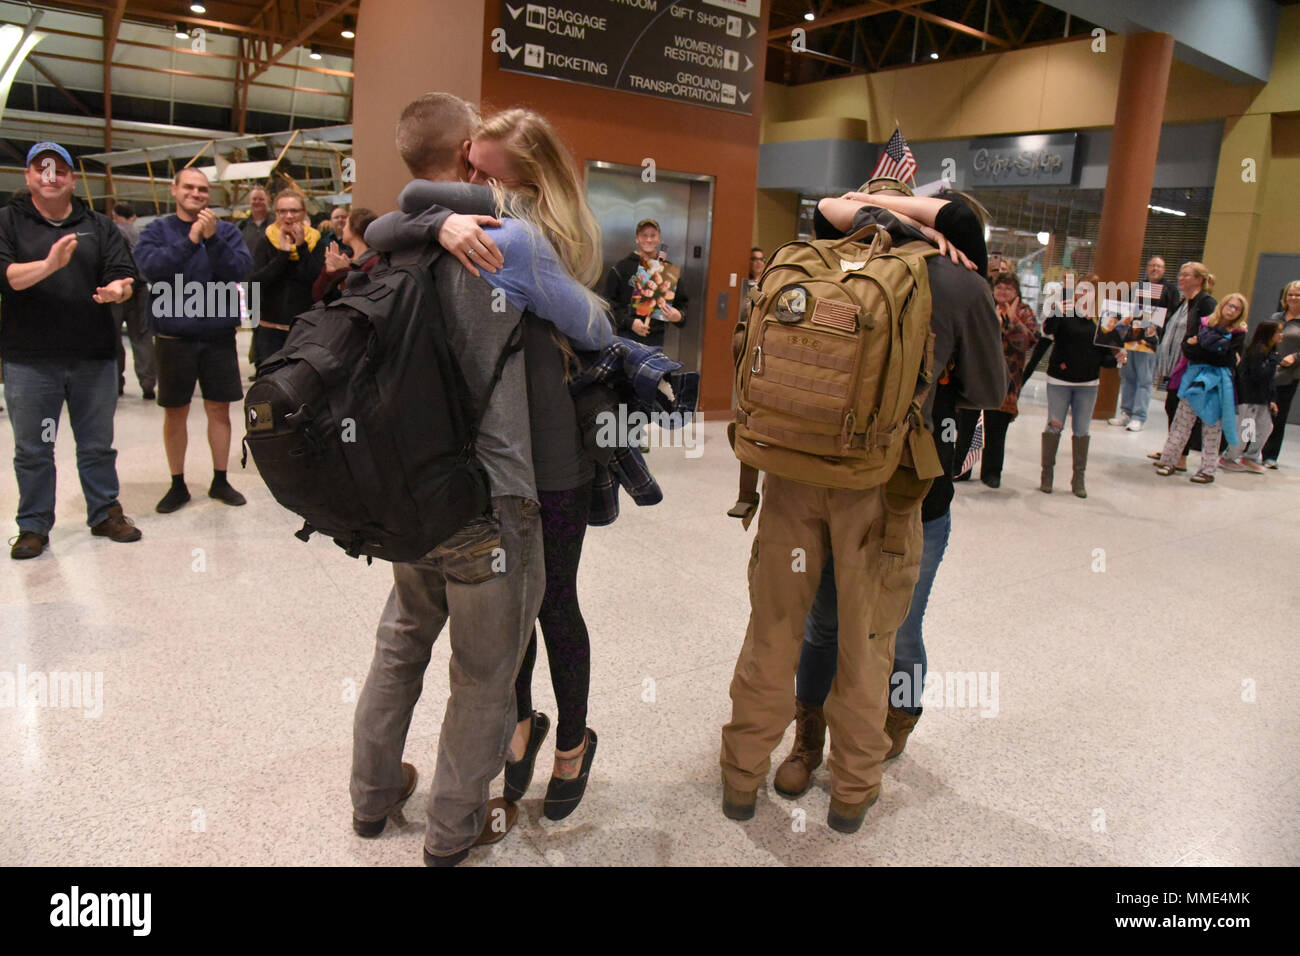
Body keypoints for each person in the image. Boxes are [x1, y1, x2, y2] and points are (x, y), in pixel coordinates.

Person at [351, 92, 613, 868]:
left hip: (409, 489)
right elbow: (595, 328)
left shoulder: (396, 239)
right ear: (471, 148)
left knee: (400, 645)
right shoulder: (513, 239)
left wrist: (428, 217)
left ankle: (372, 797)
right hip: (491, 496)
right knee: (483, 673)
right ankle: (451, 829)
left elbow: (380, 219)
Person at [719, 178, 1006, 833]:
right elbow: (988, 388)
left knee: (775, 633)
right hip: (889, 490)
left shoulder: (823, 255)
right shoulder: (959, 283)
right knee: (873, 641)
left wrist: (887, 207)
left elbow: (828, 205)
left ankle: (742, 776)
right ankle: (852, 790)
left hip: (790, 479)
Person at [0, 141, 143, 559]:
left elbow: (124, 276)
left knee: (97, 444)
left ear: (72, 178)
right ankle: (33, 525)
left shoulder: (98, 225)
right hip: (29, 361)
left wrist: (119, 289)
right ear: (27, 176)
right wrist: (49, 265)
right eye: (41, 168)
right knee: (33, 448)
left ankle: (104, 512)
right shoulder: (8, 221)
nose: (51, 176)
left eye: (59, 169)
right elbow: (7, 277)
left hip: (93, 358)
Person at [133, 167, 253, 514]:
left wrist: (212, 238)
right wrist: (192, 240)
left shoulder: (226, 232)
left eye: (202, 189)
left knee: (219, 408)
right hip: (174, 337)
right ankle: (177, 483)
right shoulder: (157, 230)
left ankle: (220, 479)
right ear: (174, 190)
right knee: (176, 412)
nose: (196, 193)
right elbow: (152, 268)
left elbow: (240, 270)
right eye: (189, 187)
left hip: (217, 336)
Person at [1037, 273, 1122, 496]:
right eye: (1081, 289)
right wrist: (1057, 311)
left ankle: (1078, 479)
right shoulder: (1063, 311)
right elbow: (1047, 331)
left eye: (1090, 290)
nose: (1084, 294)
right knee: (1054, 425)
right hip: (1059, 380)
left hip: (1088, 383)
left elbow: (1105, 358)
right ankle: (1047, 476)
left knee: (1082, 430)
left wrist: (1119, 360)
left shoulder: (1102, 321)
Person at [1155, 293, 1248, 483]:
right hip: (1194, 381)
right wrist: (1209, 351)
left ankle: (1207, 470)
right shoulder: (1204, 322)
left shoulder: (1239, 332)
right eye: (1229, 305)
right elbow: (1188, 349)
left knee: (1212, 428)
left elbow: (1229, 359)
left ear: (1241, 313)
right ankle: (1169, 460)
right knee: (1181, 423)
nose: (1231, 310)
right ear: (1222, 305)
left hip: (1218, 385)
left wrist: (1202, 349)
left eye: (1236, 308)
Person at [955, 272, 1034, 487]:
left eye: (1008, 288)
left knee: (996, 428)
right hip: (977, 375)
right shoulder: (984, 304)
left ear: (1016, 291)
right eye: (999, 287)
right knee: (968, 426)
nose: (1003, 291)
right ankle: (962, 468)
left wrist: (1011, 320)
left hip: (1006, 379)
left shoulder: (1024, 312)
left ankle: (991, 472)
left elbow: (1027, 341)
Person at [1150, 262, 1218, 471]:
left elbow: (1209, 330)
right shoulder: (1183, 302)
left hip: (1190, 364)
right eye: (1180, 275)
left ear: (1199, 279)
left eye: (1186, 275)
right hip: (1175, 364)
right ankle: (1173, 448)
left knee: (1179, 409)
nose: (1180, 279)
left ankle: (1181, 455)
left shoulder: (1205, 302)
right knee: (1171, 406)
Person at [249, 189, 325, 367]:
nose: (288, 216)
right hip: (270, 331)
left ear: (304, 213)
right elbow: (256, 281)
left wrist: (301, 248)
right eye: (282, 211)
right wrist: (283, 255)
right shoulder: (266, 240)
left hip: (305, 330)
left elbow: (316, 281)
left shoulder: (316, 241)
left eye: (294, 211)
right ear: (275, 214)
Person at [1110, 255, 1179, 431]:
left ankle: (1139, 416)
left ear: (1164, 270)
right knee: (1127, 376)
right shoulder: (1136, 288)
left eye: (1159, 266)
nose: (1155, 269)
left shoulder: (1170, 290)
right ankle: (1126, 412)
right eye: (1152, 265)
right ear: (1147, 268)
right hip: (1130, 338)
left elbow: (1171, 316)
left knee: (1144, 379)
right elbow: (1124, 309)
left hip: (1150, 341)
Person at [604, 219, 689, 349]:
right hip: (626, 338)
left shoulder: (668, 271)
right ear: (637, 239)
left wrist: (678, 316)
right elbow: (608, 306)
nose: (648, 240)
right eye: (644, 235)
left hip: (657, 340)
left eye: (653, 235)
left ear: (659, 239)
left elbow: (682, 305)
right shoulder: (621, 269)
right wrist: (630, 322)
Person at [109, 201, 157, 400]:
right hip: (141, 289)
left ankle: (116, 383)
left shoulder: (112, 232)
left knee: (113, 338)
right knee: (142, 337)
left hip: (117, 288)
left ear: (115, 216)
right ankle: (148, 384)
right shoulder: (141, 234)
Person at [1221, 320, 1282, 474]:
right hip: (1249, 399)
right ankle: (1229, 457)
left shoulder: (1270, 354)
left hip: (1263, 400)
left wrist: (1272, 399)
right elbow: (1258, 376)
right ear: (1269, 334)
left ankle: (1250, 457)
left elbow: (1270, 381)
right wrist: (1274, 362)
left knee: (1266, 427)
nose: (1281, 335)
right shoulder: (1256, 352)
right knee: (1245, 430)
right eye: (1278, 332)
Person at [1259, 280, 1300, 467]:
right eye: (1290, 294)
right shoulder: (1277, 316)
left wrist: (1296, 357)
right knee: (1252, 413)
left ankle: (1270, 456)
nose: (1293, 298)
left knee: (1277, 416)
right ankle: (1243, 449)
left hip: (1287, 375)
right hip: (1266, 371)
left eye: (1297, 295)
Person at [311, 207, 378, 305]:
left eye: (346, 223)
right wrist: (328, 273)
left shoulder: (374, 261)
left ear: (354, 228)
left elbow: (361, 298)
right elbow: (317, 296)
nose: (343, 228)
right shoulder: (344, 257)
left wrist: (343, 271)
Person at [236, 186, 272, 255]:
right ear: (249, 202)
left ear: (268, 202)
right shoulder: (241, 225)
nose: (257, 202)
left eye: (261, 199)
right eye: (254, 199)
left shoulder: (276, 224)